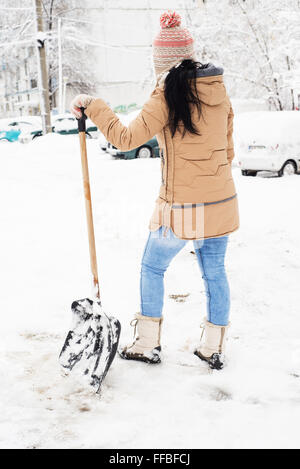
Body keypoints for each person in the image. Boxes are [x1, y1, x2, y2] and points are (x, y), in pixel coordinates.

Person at [70, 10, 239, 370]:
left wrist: (94, 106)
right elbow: (228, 149)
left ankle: (147, 342)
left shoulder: (167, 96)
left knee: (152, 266)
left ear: (161, 62)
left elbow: (125, 138)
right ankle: (213, 346)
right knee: (215, 272)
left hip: (184, 206)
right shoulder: (218, 90)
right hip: (222, 200)